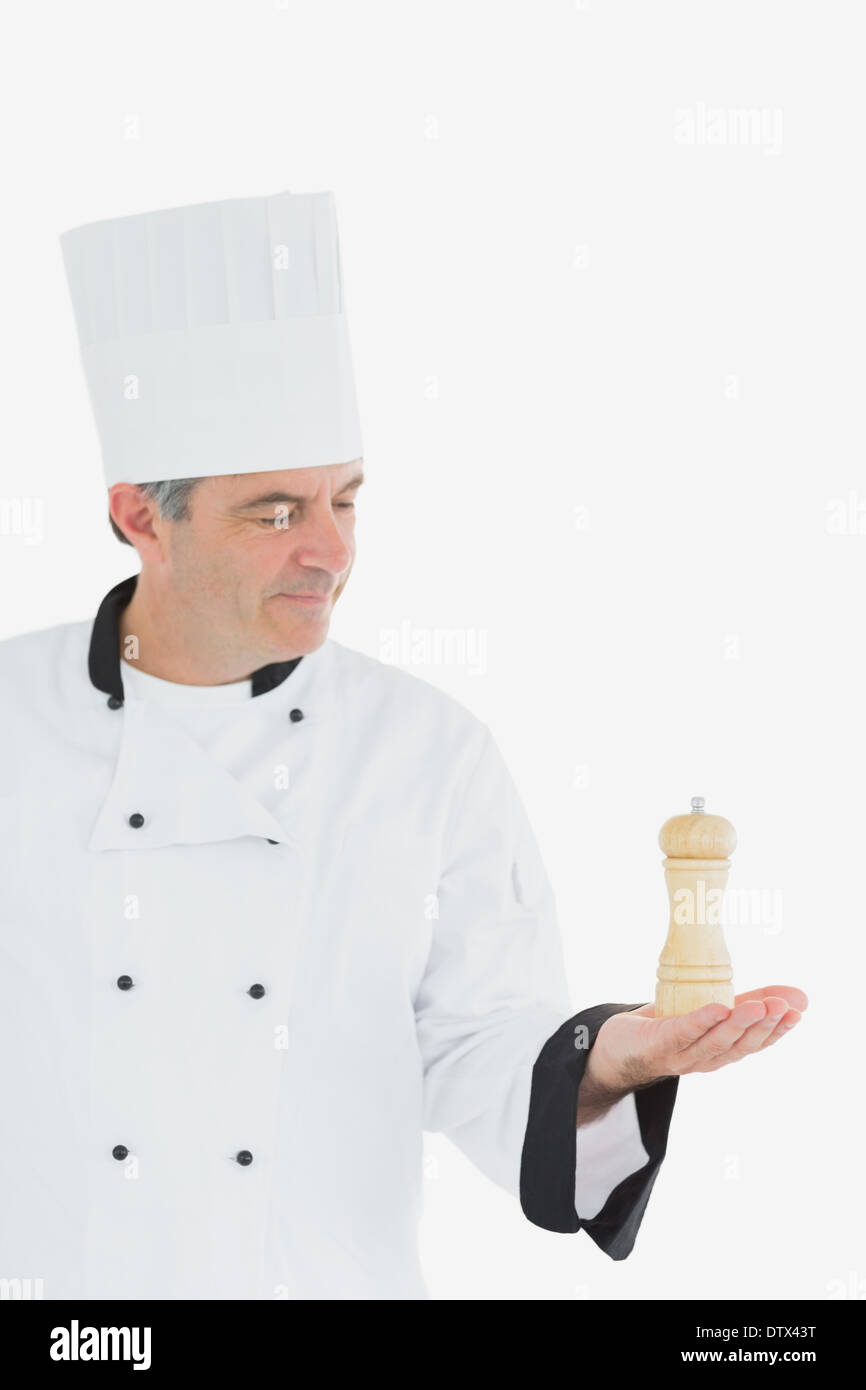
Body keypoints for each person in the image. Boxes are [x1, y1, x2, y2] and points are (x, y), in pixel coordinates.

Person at [0, 189, 807, 1300]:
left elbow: (478, 1039)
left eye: (346, 498)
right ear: (142, 516)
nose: (330, 549)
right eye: (274, 512)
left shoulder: (428, 751)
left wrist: (611, 1056)